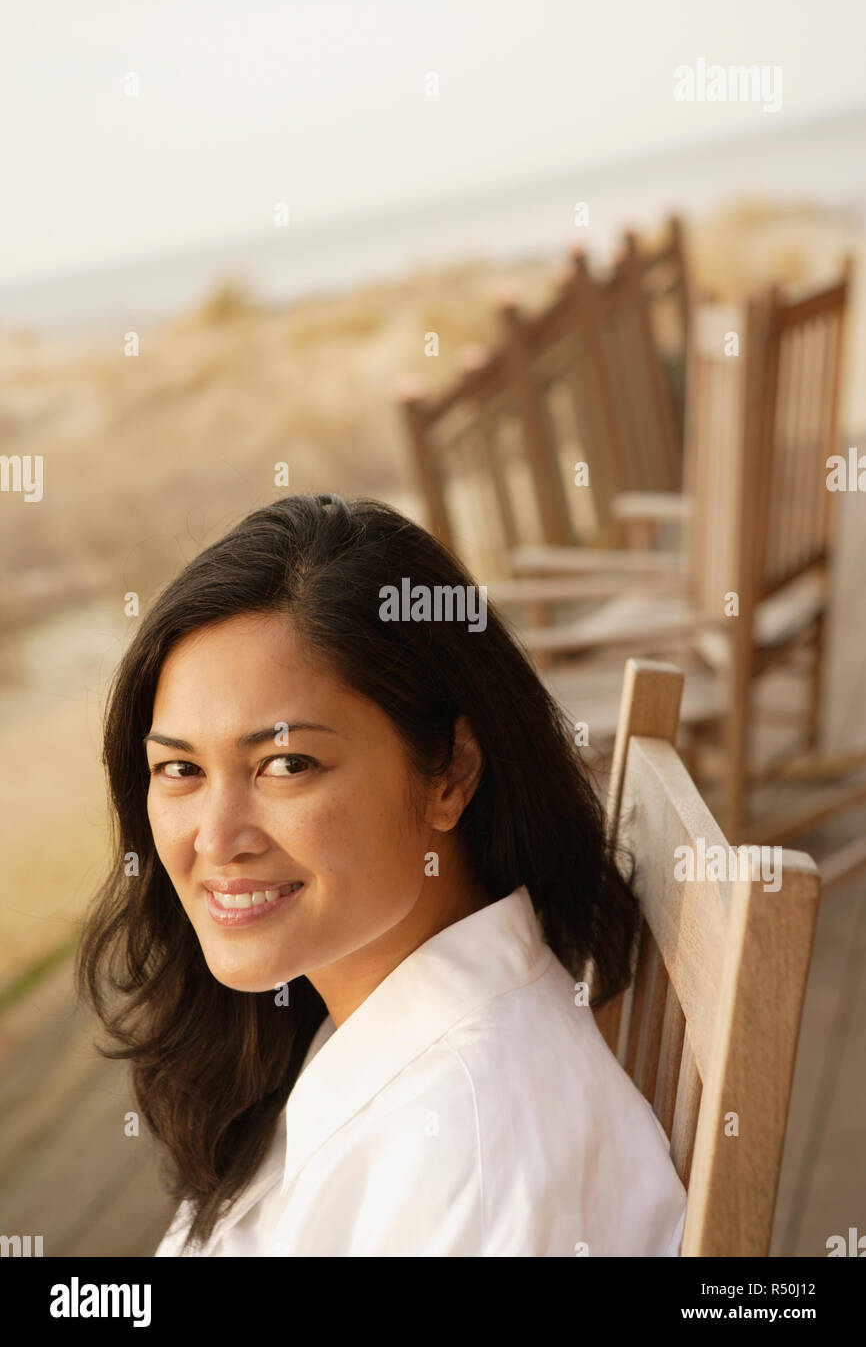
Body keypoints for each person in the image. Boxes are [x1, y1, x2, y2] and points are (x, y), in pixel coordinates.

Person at [77, 493, 687, 1256]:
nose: (216, 838)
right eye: (179, 769)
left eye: (286, 764)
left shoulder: (470, 1148)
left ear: (451, 774)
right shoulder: (350, 1024)